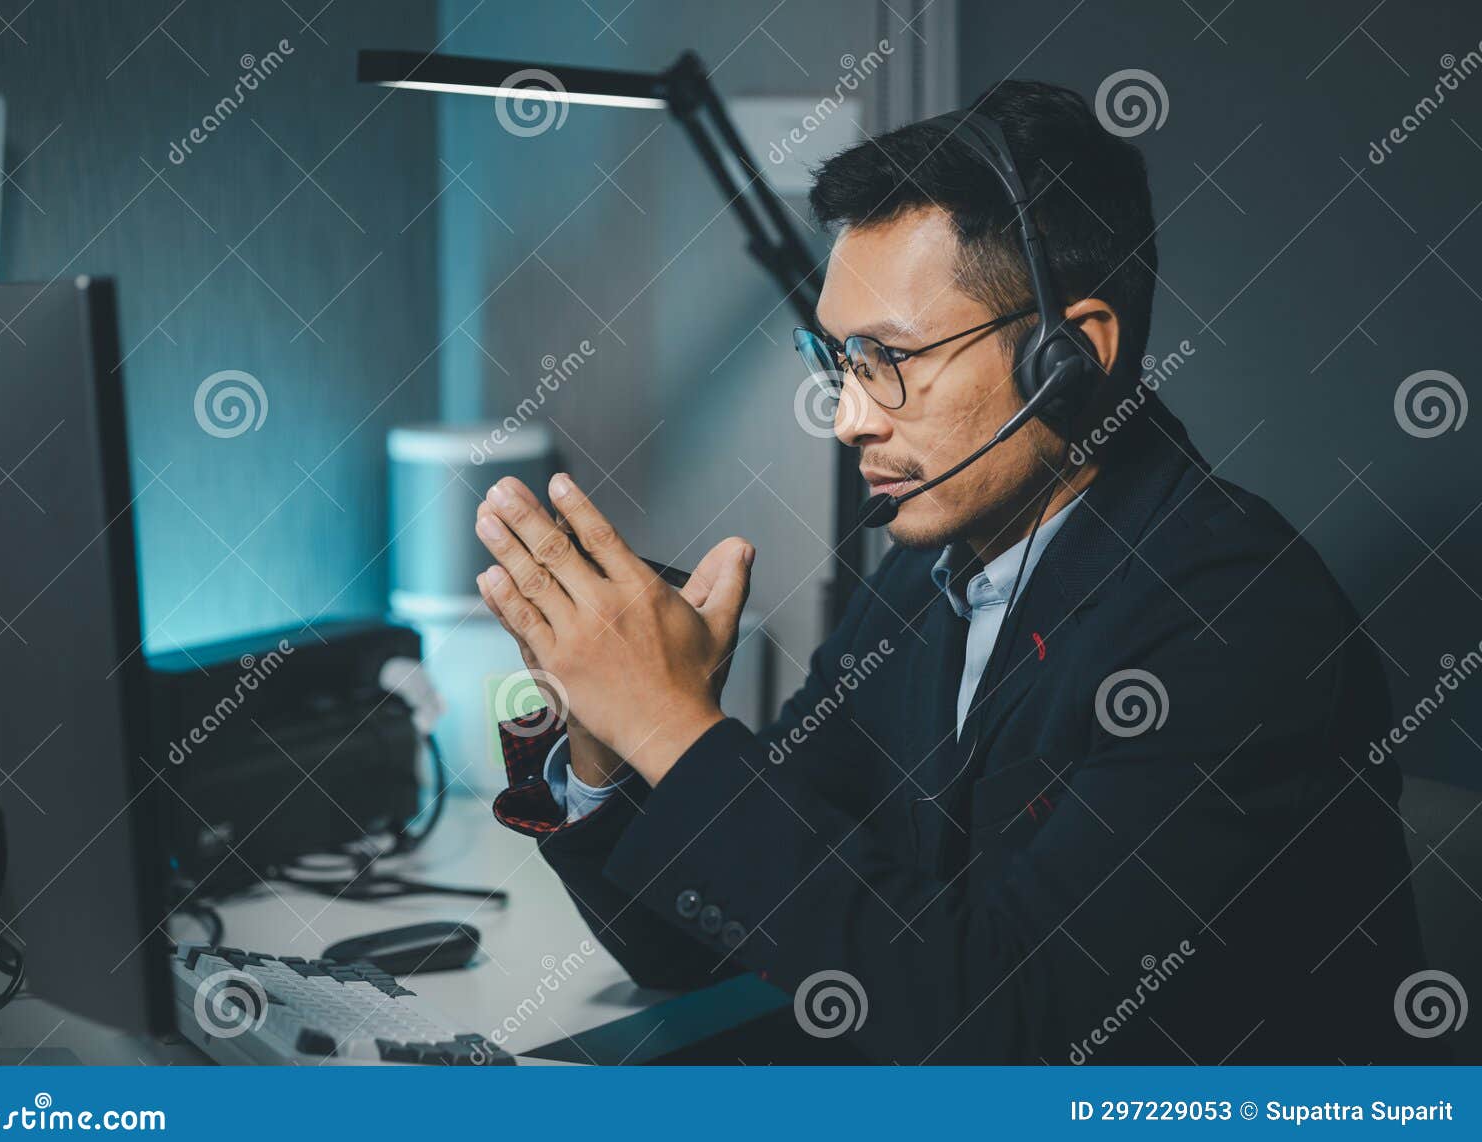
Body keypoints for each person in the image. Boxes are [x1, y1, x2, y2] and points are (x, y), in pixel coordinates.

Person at [471, 80, 1426, 1063]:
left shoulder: (1238, 621)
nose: (847, 417)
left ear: (1068, 358)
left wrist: (673, 725)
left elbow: (1013, 1033)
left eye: (888, 357)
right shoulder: (918, 585)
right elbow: (694, 942)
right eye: (839, 358)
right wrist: (602, 736)